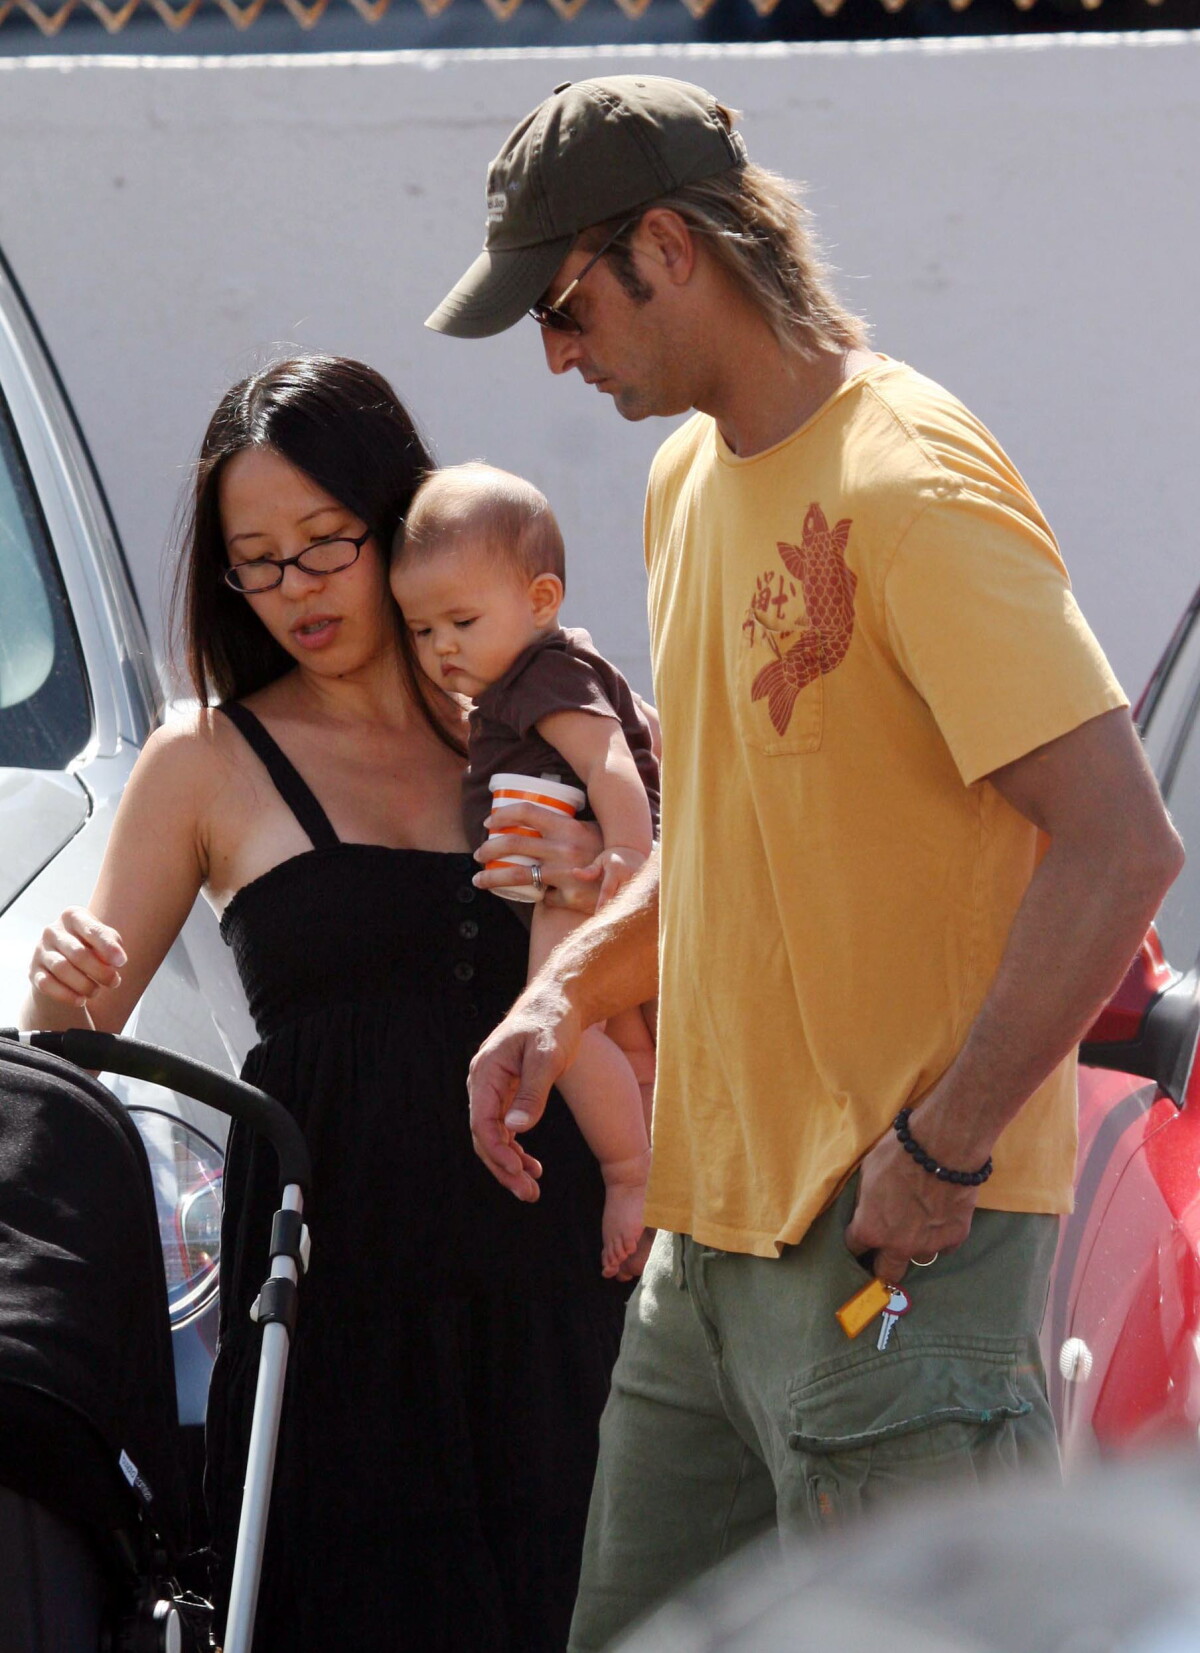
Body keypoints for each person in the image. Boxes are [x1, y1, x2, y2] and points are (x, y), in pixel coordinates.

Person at [425, 74, 1186, 1648]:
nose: (557, 356)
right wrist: (567, 991)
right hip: (704, 1261)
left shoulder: (911, 480)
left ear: (666, 247)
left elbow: (1122, 845)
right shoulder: (687, 480)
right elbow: (732, 840)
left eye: (563, 307)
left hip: (895, 1262)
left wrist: (945, 1151)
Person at [20, 355, 631, 1653]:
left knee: (593, 1594)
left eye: (324, 545)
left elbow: (664, 954)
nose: (295, 586)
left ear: (398, 520)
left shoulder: (534, 722)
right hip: (340, 1282)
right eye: (258, 562)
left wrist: (601, 879)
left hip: (555, 1257)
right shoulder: (204, 758)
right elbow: (70, 1057)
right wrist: (56, 988)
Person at [391, 462, 658, 1279]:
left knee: (559, 1028)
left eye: (462, 620)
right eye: (421, 629)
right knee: (620, 1036)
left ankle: (630, 1174)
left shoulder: (545, 674)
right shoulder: (521, 680)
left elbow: (610, 761)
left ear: (541, 600)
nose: (442, 647)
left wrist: (627, 859)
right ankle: (653, 1154)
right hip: (572, 880)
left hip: (577, 885)